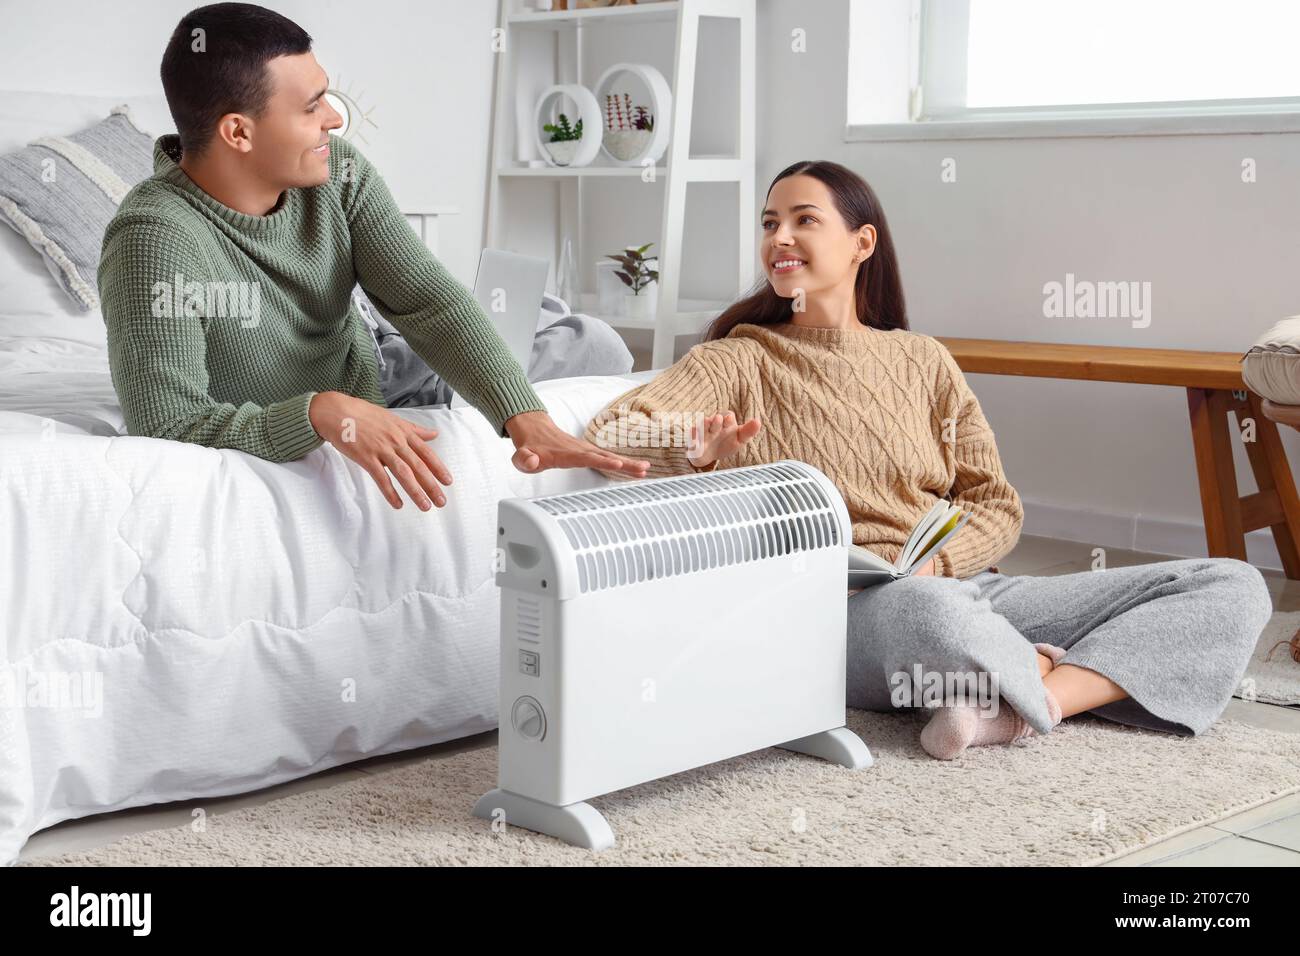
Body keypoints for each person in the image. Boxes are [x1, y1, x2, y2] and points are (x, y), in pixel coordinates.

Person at [583, 158, 1273, 760]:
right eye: (768, 224)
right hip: (838, 613)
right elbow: (614, 428)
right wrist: (689, 447)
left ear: (862, 243)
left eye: (801, 220)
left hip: (957, 585)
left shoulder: (922, 359)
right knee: (930, 618)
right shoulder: (738, 357)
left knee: (1231, 584)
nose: (779, 238)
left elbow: (995, 504)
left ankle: (1029, 703)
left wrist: (941, 561)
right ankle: (1017, 668)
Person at [98, 2, 649, 516]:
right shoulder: (153, 240)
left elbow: (427, 300)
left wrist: (521, 415)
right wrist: (317, 412)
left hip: (377, 360)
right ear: (238, 131)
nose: (334, 119)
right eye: (311, 106)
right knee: (567, 339)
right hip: (345, 386)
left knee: (592, 339)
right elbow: (167, 425)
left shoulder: (336, 168)